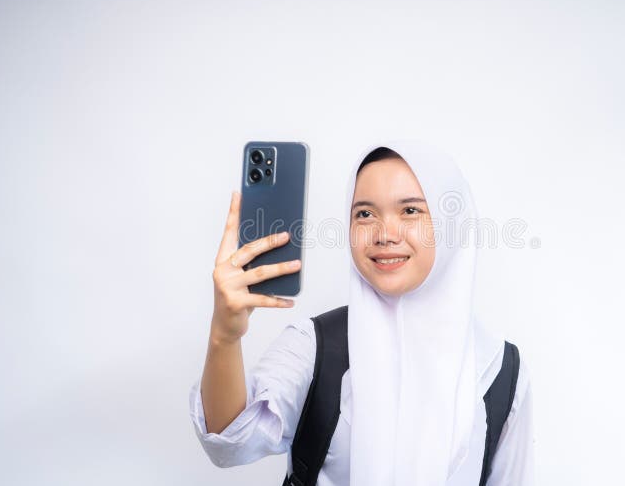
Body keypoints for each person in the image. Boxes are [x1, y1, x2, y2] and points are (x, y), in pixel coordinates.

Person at [189, 140, 534, 485]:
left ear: (452, 223)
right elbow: (228, 441)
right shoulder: (316, 347)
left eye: (410, 211)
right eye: (365, 214)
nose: (385, 235)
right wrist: (225, 335)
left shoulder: (501, 369)